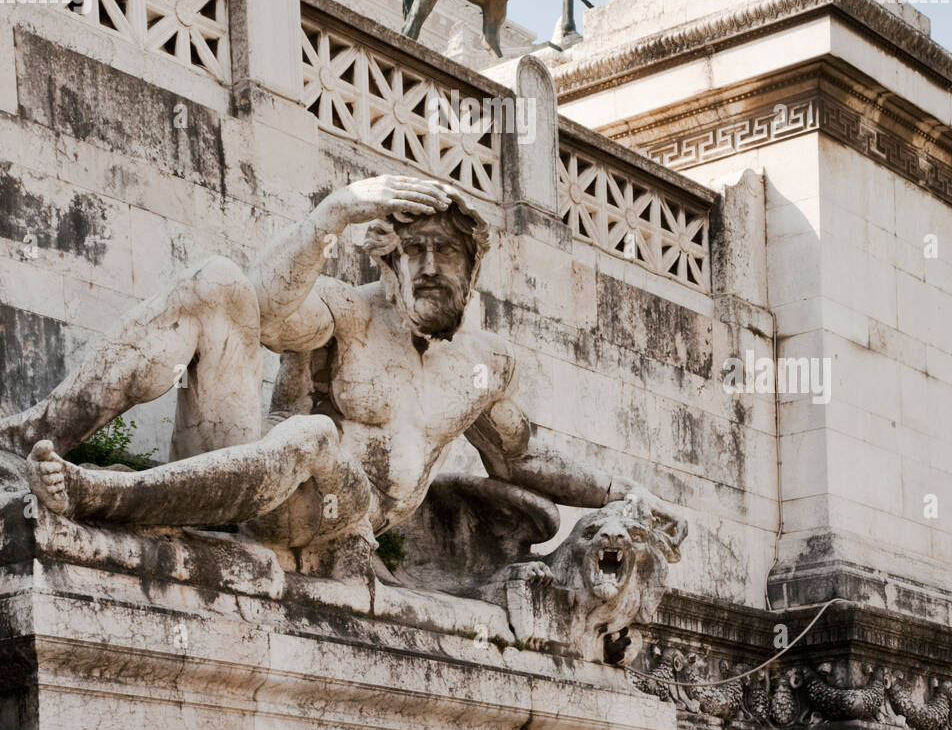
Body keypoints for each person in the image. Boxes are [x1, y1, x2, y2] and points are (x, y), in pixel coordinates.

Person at [5, 174, 685, 581]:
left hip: (335, 517)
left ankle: (108, 497)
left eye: (443, 252)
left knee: (312, 437)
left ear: (474, 268)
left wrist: (625, 491)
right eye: (411, 250)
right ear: (387, 261)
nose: (425, 266)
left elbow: (522, 456)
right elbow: (266, 311)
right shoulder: (352, 313)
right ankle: (39, 433)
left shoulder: (486, 367)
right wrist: (335, 212)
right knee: (216, 282)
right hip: (248, 479)